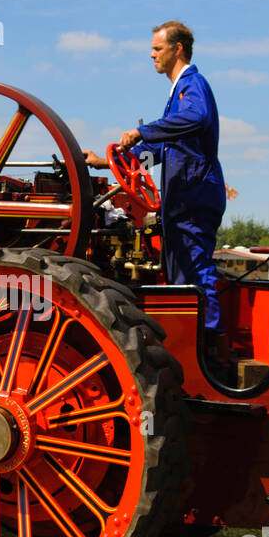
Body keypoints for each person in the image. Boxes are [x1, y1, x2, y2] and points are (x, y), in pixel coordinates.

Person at [84, 20, 228, 359]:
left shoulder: (191, 86)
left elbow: (197, 118)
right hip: (185, 199)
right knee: (182, 276)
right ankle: (193, 349)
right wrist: (107, 162)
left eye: (158, 48)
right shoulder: (178, 94)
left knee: (195, 272)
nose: (151, 55)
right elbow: (163, 151)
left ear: (177, 49)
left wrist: (143, 131)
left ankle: (208, 352)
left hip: (193, 196)